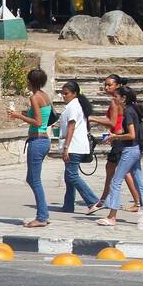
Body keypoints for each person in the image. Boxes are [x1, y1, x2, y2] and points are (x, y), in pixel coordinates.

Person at [95, 86, 143, 229]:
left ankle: (112, 217)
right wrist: (116, 137)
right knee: (140, 182)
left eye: (116, 96)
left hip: (130, 150)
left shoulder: (128, 112)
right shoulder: (132, 110)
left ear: (123, 98)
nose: (114, 99)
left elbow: (132, 135)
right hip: (135, 149)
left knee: (116, 181)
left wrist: (116, 136)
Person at [88, 74, 142, 214]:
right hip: (118, 138)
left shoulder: (114, 101)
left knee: (124, 172)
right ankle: (104, 199)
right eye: (105, 84)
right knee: (111, 168)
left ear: (117, 86)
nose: (106, 87)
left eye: (109, 85)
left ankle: (137, 201)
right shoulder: (118, 101)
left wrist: (93, 119)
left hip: (119, 138)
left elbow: (112, 122)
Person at [7, 67, 53, 228]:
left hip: (37, 141)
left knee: (34, 179)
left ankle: (42, 216)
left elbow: (39, 122)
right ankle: (43, 214)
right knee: (32, 179)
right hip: (43, 140)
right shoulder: (45, 96)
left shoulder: (35, 97)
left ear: (30, 81)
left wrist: (18, 116)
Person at [57, 81, 100, 214]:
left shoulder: (73, 106)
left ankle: (92, 201)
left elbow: (71, 126)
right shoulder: (76, 105)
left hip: (74, 146)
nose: (64, 96)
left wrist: (66, 147)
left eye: (66, 93)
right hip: (77, 144)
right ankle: (68, 205)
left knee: (72, 175)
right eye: (62, 93)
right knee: (68, 176)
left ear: (74, 94)